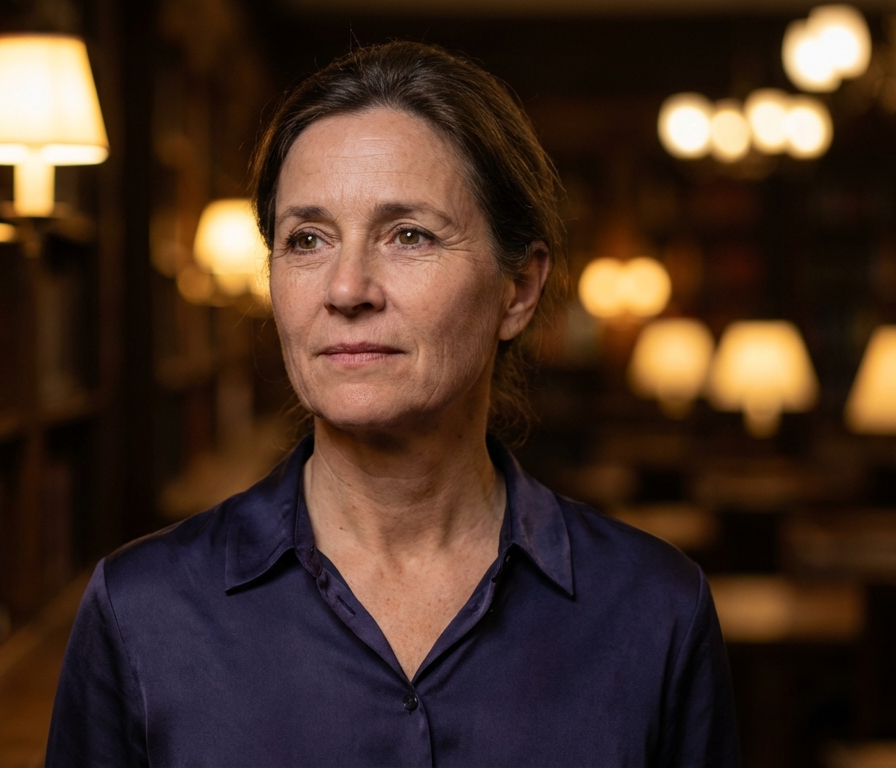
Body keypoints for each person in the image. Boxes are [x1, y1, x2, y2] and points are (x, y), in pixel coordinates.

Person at [45, 41, 739, 767]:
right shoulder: (141, 612)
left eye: (408, 236)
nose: (347, 290)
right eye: (307, 239)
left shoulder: (654, 610)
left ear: (520, 289)